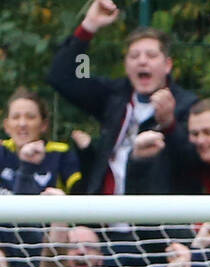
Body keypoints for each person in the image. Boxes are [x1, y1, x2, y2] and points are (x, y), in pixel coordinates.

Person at [47, 0, 199, 196]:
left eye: (151, 55)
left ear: (167, 65)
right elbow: (64, 77)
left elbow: (195, 164)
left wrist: (169, 124)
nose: (142, 61)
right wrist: (89, 26)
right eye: (134, 56)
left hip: (155, 220)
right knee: (76, 229)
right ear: (126, 65)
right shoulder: (113, 96)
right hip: (103, 219)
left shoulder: (187, 105)